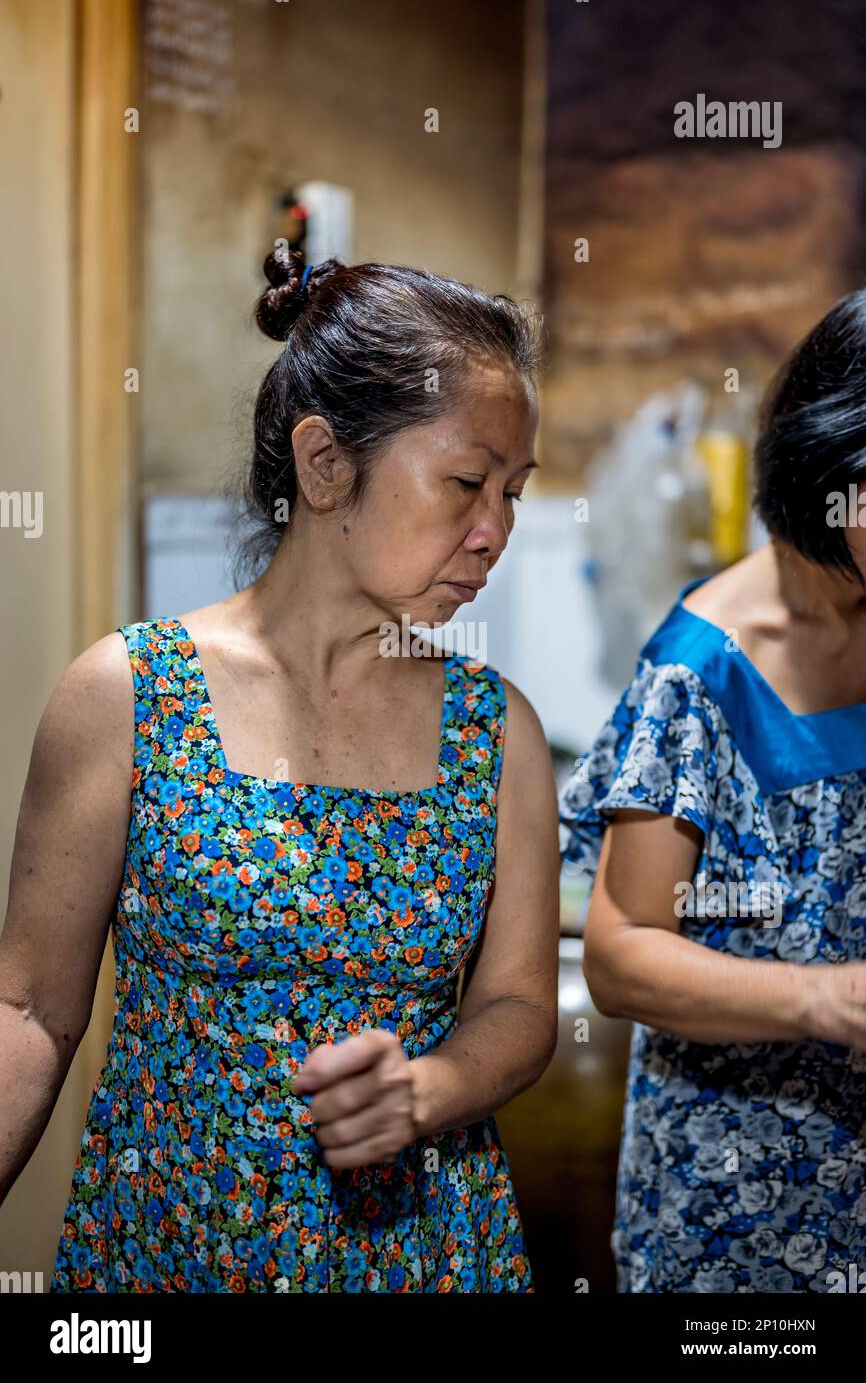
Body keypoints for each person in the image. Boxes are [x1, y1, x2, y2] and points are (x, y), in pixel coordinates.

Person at [1, 250, 561, 1292]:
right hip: (175, 1242)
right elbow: (30, 1012)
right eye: (464, 483)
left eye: (513, 492)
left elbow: (523, 1007)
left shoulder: (497, 733)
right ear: (324, 463)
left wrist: (428, 1088)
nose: (496, 532)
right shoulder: (130, 694)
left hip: (423, 1251)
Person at [559, 288, 866, 1293]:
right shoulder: (702, 674)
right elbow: (619, 956)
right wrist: (825, 998)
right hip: (742, 1198)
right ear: (831, 471)